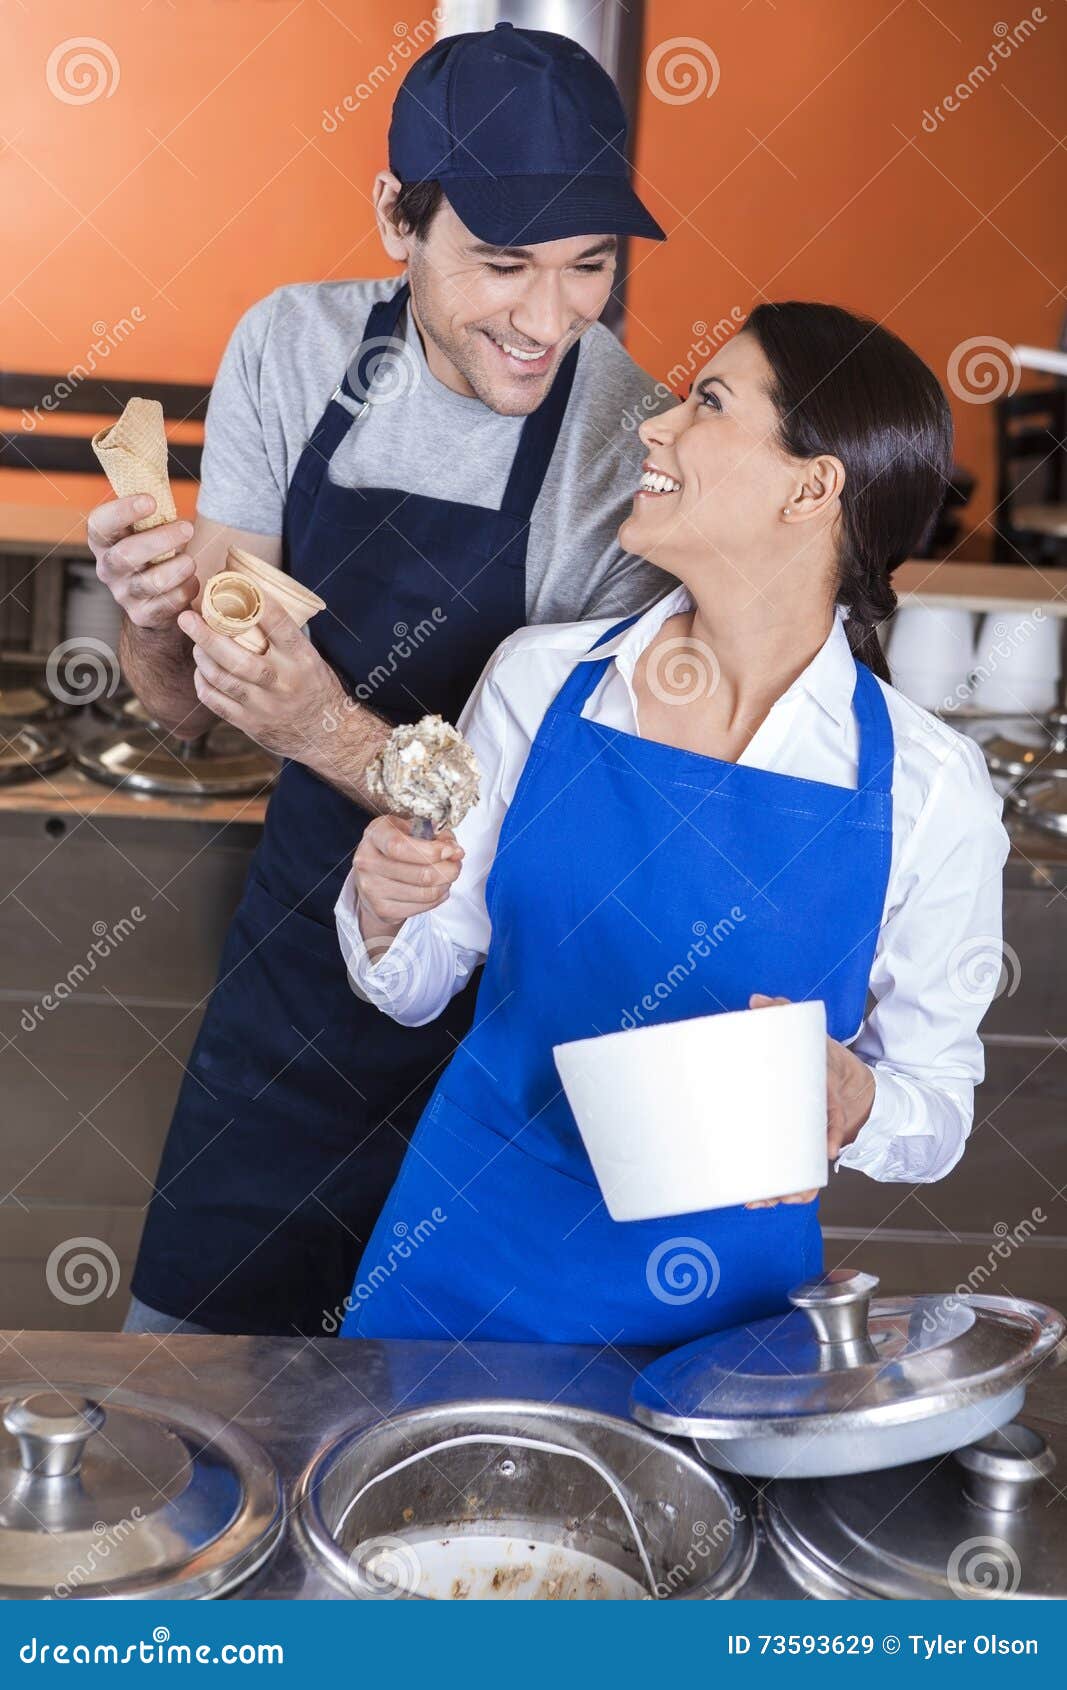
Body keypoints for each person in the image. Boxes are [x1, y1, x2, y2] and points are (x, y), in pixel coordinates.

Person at [84, 22, 671, 1336]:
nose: (545, 317)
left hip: (503, 1030)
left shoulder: (629, 443)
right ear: (396, 219)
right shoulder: (293, 350)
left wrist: (325, 726)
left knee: (442, 1455)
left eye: (588, 266)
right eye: (502, 262)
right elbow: (188, 703)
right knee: (191, 1387)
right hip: (292, 989)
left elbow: (565, 829)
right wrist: (150, 616)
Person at [334, 301, 1009, 1346]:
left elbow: (938, 1105)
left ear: (809, 485)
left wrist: (855, 1101)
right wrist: (384, 909)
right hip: (461, 1271)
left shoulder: (927, 789)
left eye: (706, 403)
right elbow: (417, 982)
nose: (653, 426)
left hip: (718, 1334)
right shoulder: (543, 681)